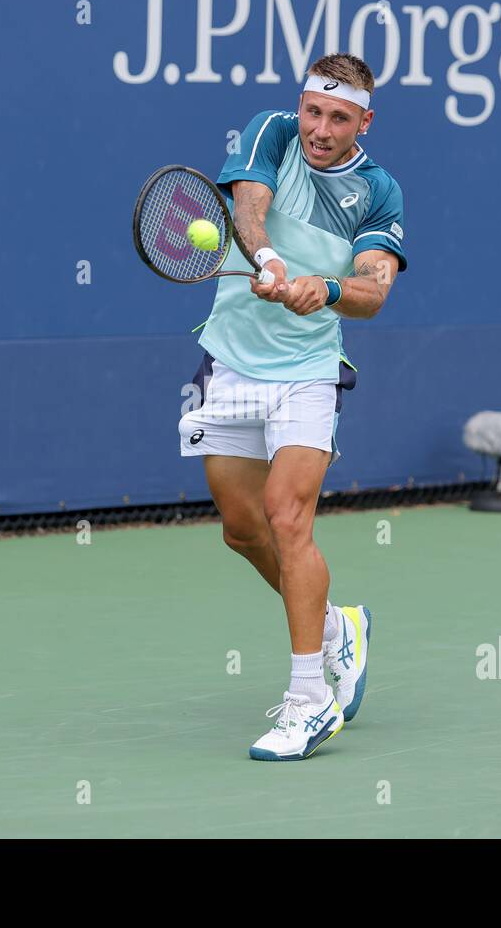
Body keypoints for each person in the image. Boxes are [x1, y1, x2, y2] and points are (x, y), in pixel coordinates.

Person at [177, 53, 406, 760]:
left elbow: (374, 288)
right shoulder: (271, 131)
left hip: (308, 369)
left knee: (287, 516)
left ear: (364, 121)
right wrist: (272, 261)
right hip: (231, 360)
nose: (321, 128)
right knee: (243, 531)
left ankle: (310, 700)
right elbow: (247, 206)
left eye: (339, 117)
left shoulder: (378, 190)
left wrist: (328, 290)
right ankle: (337, 629)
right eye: (314, 111)